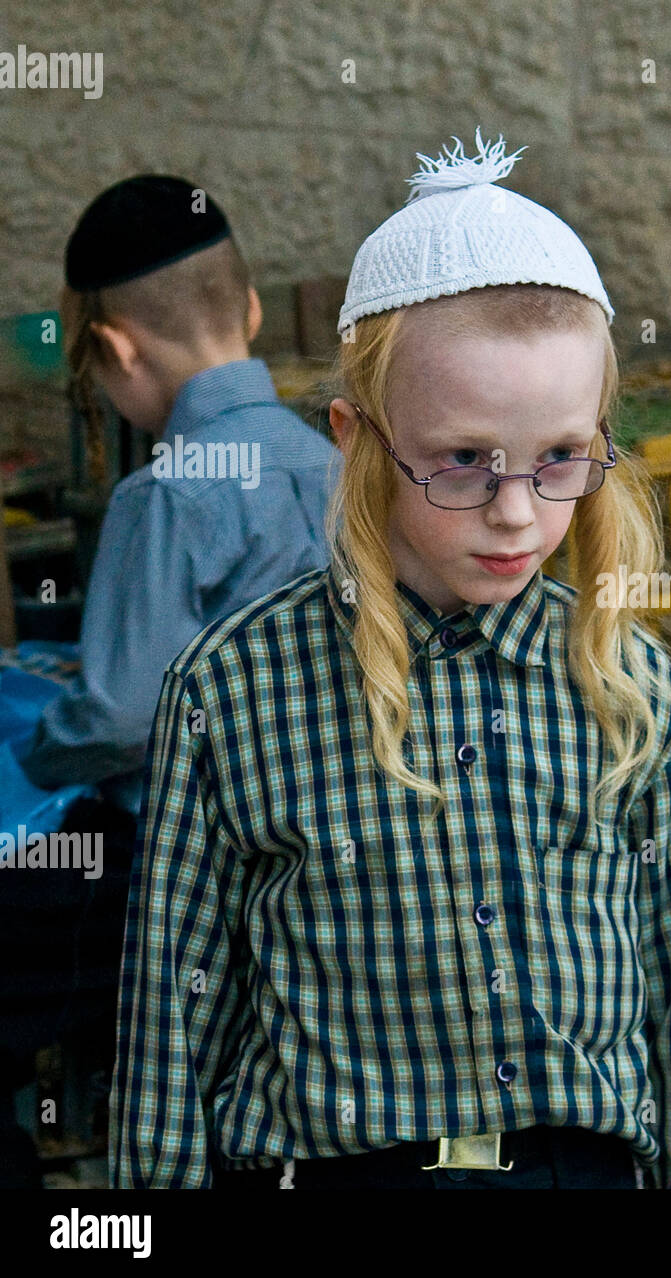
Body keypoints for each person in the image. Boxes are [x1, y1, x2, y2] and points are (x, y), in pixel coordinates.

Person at [109, 129, 671, 1190]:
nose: (514, 513)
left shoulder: (629, 687)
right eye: (461, 461)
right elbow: (172, 1010)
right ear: (356, 437)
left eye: (559, 460)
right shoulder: (231, 689)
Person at [1, 175, 339, 1188]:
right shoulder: (334, 468)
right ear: (247, 310)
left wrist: (35, 748)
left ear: (112, 351)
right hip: (313, 855)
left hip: (180, 876)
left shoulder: (165, 495)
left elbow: (118, 713)